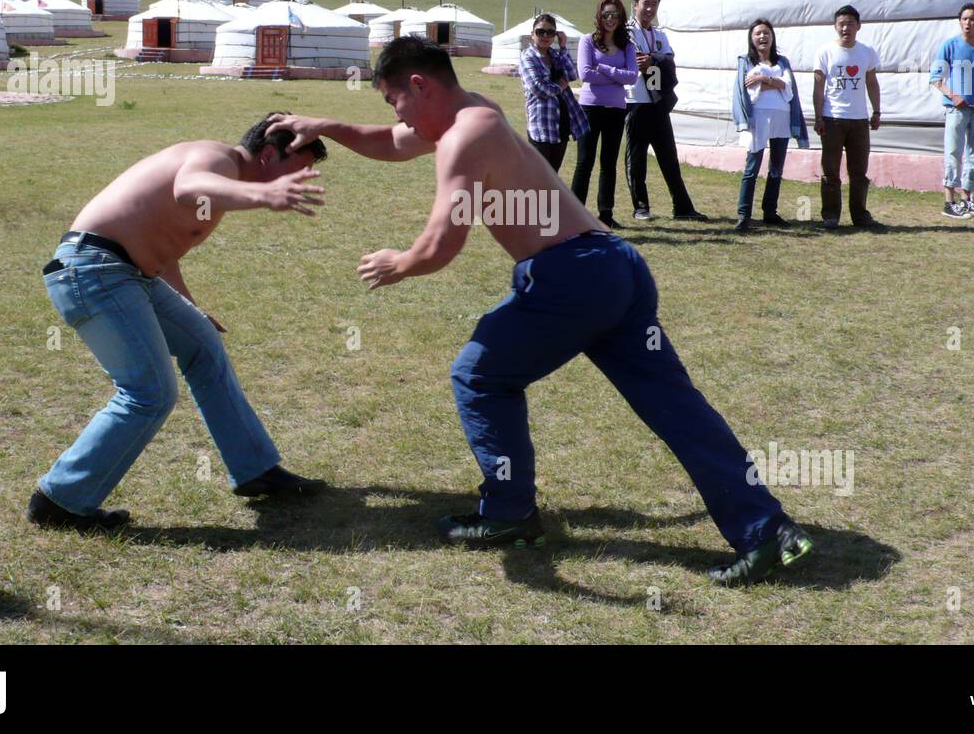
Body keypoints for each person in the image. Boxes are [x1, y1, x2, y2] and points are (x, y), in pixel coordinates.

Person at [267, 37, 815, 587]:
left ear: (418, 85)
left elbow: (441, 245)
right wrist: (327, 126)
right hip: (613, 266)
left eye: (392, 99)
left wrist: (400, 262)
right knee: (678, 408)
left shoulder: (462, 138)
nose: (394, 112)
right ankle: (766, 528)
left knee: (479, 375)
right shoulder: (478, 110)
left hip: (568, 277)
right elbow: (390, 141)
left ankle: (508, 514)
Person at [27, 114, 329, 532]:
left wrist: (191, 308)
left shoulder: (224, 179)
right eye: (297, 169)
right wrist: (263, 194)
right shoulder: (215, 158)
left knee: (202, 344)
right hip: (94, 271)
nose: (303, 179)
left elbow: (164, 250)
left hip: (127, 274)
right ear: (267, 154)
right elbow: (187, 188)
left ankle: (254, 469)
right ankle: (59, 500)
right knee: (148, 394)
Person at [622, 0, 708, 221]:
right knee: (636, 157)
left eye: (654, 4)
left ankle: (682, 207)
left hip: (658, 102)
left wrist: (653, 60)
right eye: (646, 3)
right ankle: (641, 207)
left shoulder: (660, 34)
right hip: (637, 100)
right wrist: (656, 60)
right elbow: (640, 60)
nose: (650, 8)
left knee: (669, 157)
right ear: (635, 5)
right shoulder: (626, 32)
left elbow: (669, 61)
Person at [732, 18, 809, 231]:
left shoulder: (782, 62)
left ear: (772, 36)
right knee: (752, 167)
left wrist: (763, 79)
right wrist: (775, 83)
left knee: (776, 168)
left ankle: (770, 212)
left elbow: (788, 89)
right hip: (758, 119)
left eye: (766, 32)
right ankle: (743, 214)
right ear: (751, 38)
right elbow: (748, 92)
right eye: (758, 33)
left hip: (781, 118)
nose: (763, 36)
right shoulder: (746, 61)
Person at [811, 5, 883, 229]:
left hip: (859, 119)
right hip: (832, 118)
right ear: (835, 26)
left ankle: (860, 215)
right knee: (830, 170)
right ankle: (830, 215)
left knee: (859, 171)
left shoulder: (867, 52)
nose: (846, 28)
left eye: (850, 23)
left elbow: (872, 83)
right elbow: (818, 86)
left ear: (859, 26)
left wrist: (877, 111)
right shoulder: (825, 52)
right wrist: (818, 116)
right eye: (841, 23)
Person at [571, 0, 637, 228]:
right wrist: (616, 76)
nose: (611, 19)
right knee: (584, 162)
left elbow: (633, 77)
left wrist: (605, 68)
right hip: (590, 108)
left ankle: (606, 215)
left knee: (609, 164)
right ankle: (575, 216)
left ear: (621, 18)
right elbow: (585, 74)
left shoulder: (627, 46)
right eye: (607, 14)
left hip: (616, 110)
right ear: (599, 16)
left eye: (615, 15)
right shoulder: (587, 41)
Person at [931, 3, 974, 219]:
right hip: (956, 108)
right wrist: (953, 96)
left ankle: (967, 198)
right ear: (959, 21)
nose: (968, 23)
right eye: (964, 19)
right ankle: (949, 201)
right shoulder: (949, 46)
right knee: (953, 151)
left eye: (972, 19)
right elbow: (936, 79)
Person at [517, 14, 588, 171]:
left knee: (553, 176)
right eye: (540, 31)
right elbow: (538, 88)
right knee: (539, 178)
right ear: (532, 34)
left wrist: (563, 47)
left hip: (561, 123)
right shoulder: (527, 57)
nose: (545, 36)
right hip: (541, 124)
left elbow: (571, 74)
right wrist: (560, 85)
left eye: (550, 32)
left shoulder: (555, 55)